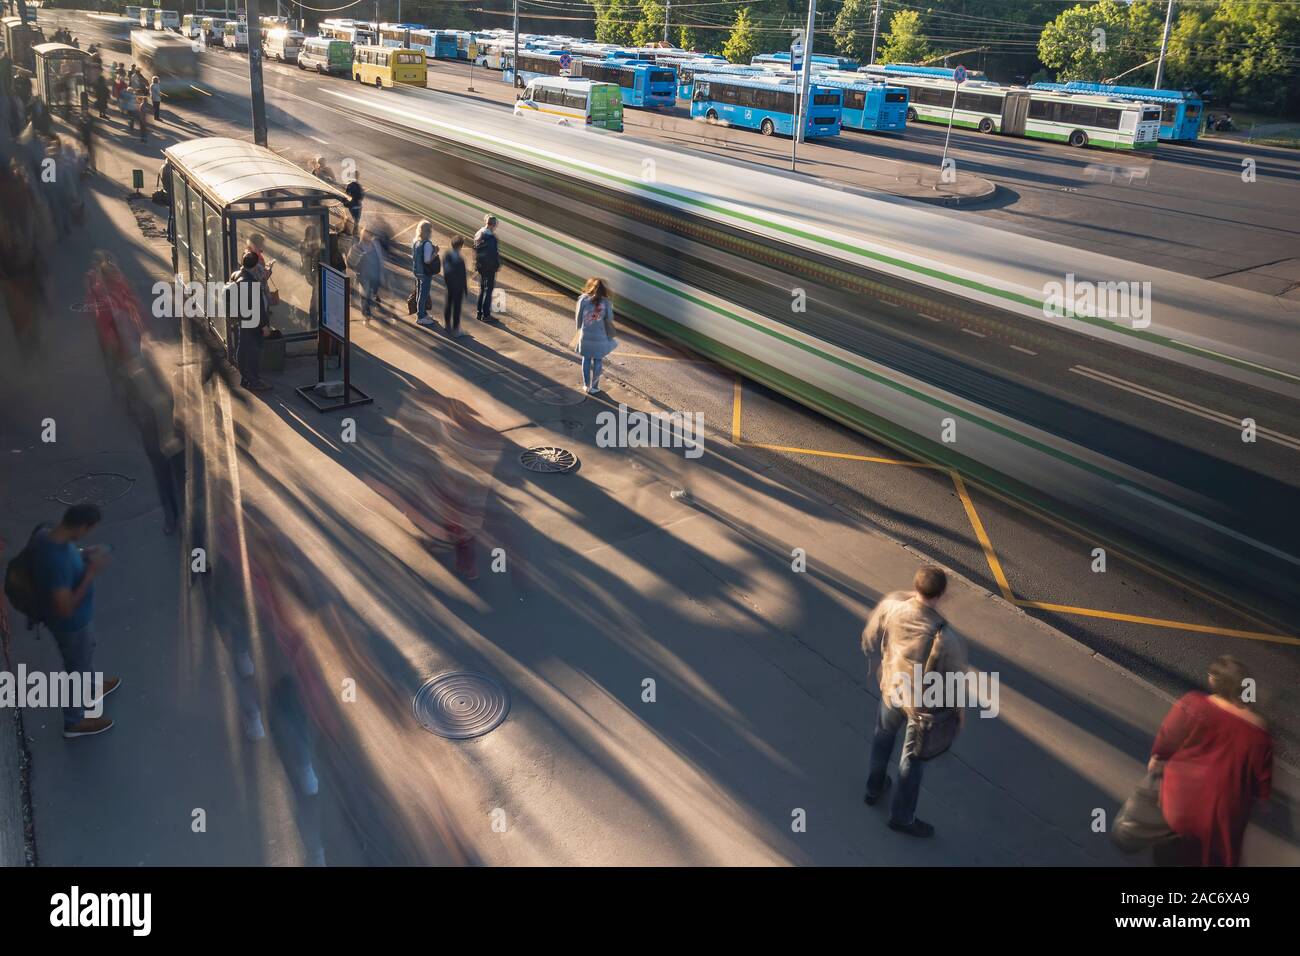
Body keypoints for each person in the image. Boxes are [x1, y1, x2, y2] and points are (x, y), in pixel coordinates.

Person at [860, 566, 969, 838]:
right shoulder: (946, 637)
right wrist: (958, 713)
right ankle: (901, 817)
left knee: (882, 737)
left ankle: (874, 788)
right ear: (942, 594)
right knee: (912, 760)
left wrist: (876, 662)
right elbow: (955, 681)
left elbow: (870, 637)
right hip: (921, 706)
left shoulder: (892, 606)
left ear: (915, 586)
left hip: (891, 689)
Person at [1148, 656, 1273, 866]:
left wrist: (1157, 762)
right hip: (1223, 815)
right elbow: (1261, 782)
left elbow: (1166, 740)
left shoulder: (1194, 704)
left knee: (1169, 854)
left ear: (1214, 680)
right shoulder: (1259, 733)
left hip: (1180, 800)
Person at [30, 504, 119, 738]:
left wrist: (82, 554)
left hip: (78, 623)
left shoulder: (47, 535)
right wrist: (91, 573)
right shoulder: (57, 561)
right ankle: (74, 721)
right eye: (89, 529)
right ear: (81, 526)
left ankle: (90, 691)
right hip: (71, 624)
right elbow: (65, 605)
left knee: (85, 654)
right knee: (76, 669)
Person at [230, 251, 272, 392]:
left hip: (242, 319)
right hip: (252, 322)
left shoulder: (236, 275)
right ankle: (253, 381)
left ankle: (246, 378)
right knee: (253, 351)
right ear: (255, 266)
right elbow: (258, 308)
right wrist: (265, 326)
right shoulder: (250, 283)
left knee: (243, 348)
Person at [573, 278, 616, 394]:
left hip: (585, 335)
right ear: (604, 289)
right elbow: (610, 318)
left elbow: (578, 318)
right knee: (598, 361)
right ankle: (595, 387)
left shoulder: (583, 299)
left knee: (586, 359)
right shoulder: (606, 302)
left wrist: (580, 330)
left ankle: (586, 386)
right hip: (600, 337)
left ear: (591, 286)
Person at [347, 227, 383, 321]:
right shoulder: (357, 247)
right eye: (368, 234)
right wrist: (356, 270)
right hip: (363, 277)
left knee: (370, 296)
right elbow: (350, 262)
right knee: (365, 296)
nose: (370, 236)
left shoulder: (375, 245)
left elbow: (379, 260)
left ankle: (368, 312)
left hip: (374, 276)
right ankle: (366, 315)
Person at [410, 219, 440, 328]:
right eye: (430, 230)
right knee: (423, 294)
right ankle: (421, 316)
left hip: (417, 270)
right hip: (425, 273)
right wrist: (435, 253)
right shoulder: (426, 244)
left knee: (419, 293)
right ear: (427, 231)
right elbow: (427, 260)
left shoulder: (416, 241)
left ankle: (423, 313)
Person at [473, 214, 500, 322]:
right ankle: (486, 315)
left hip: (480, 266)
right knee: (488, 290)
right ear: (493, 225)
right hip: (489, 268)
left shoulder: (479, 233)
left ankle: (479, 313)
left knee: (482, 289)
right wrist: (496, 266)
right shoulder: (491, 238)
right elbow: (493, 255)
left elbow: (475, 248)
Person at [442, 236, 467, 337]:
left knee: (448, 304)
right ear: (460, 246)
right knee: (457, 308)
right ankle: (456, 329)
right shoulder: (460, 260)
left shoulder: (446, 255)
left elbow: (446, 270)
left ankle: (447, 324)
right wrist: (465, 289)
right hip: (457, 287)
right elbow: (463, 276)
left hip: (449, 285)